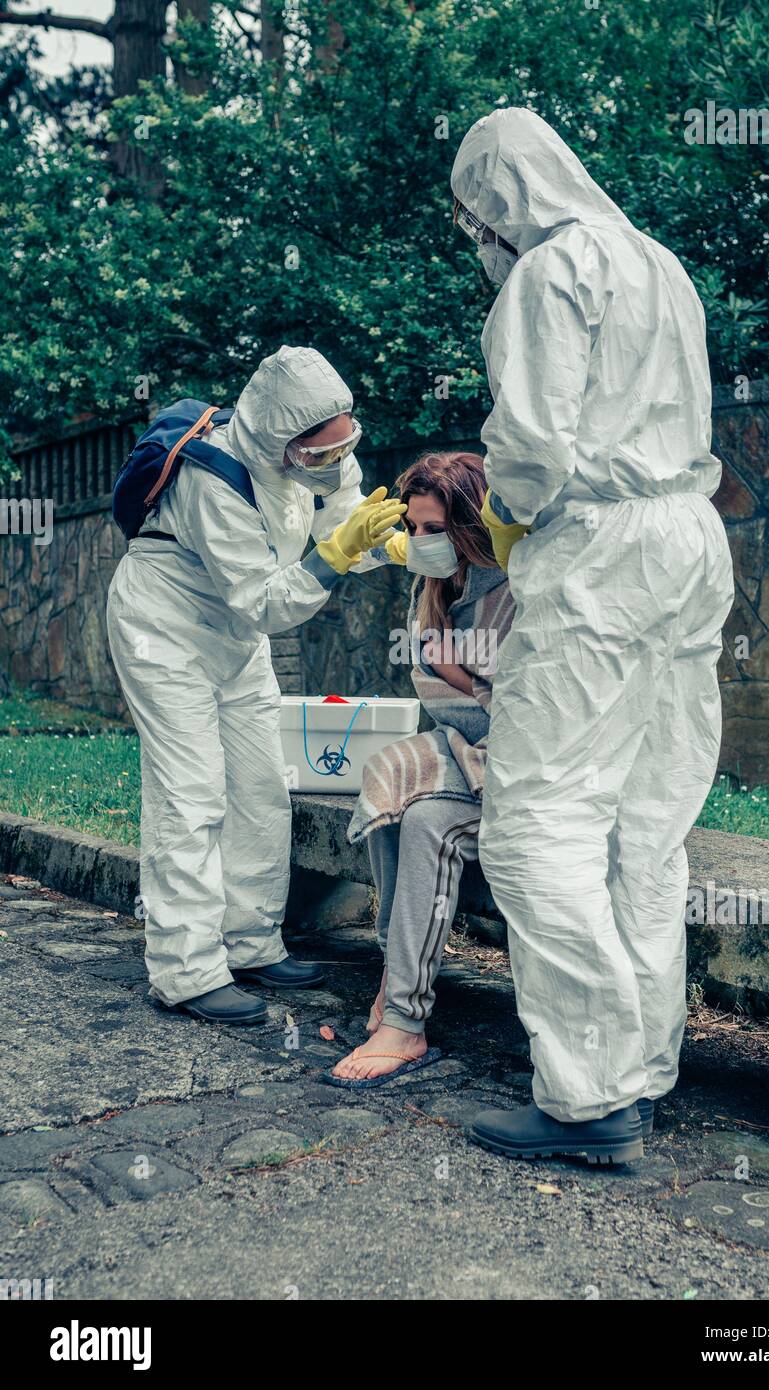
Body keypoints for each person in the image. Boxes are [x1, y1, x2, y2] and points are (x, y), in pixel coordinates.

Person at [450, 109, 735, 1163]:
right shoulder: (658, 262)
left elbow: (529, 445)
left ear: (497, 198)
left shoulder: (548, 273)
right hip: (691, 538)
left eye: (474, 216)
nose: (477, 236)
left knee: (535, 827)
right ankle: (644, 1066)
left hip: (602, 545)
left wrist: (512, 531)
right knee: (646, 823)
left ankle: (588, 1096)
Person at [106, 346, 405, 1025]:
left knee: (260, 785)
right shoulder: (214, 475)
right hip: (164, 626)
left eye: (342, 448)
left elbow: (343, 517)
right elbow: (267, 603)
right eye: (318, 454)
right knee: (192, 791)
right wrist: (333, 558)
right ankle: (185, 970)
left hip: (234, 636)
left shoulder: (323, 445)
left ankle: (249, 939)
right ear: (279, 440)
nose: (332, 463)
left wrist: (391, 546)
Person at [325, 451, 515, 1088]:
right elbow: (358, 554)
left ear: (475, 526)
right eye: (419, 529)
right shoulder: (439, 583)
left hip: (521, 770)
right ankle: (394, 970)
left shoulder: (520, 592)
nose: (424, 542)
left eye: (438, 530)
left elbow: (533, 722)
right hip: (465, 750)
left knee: (429, 818)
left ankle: (405, 1021)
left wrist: (458, 674)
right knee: (389, 777)